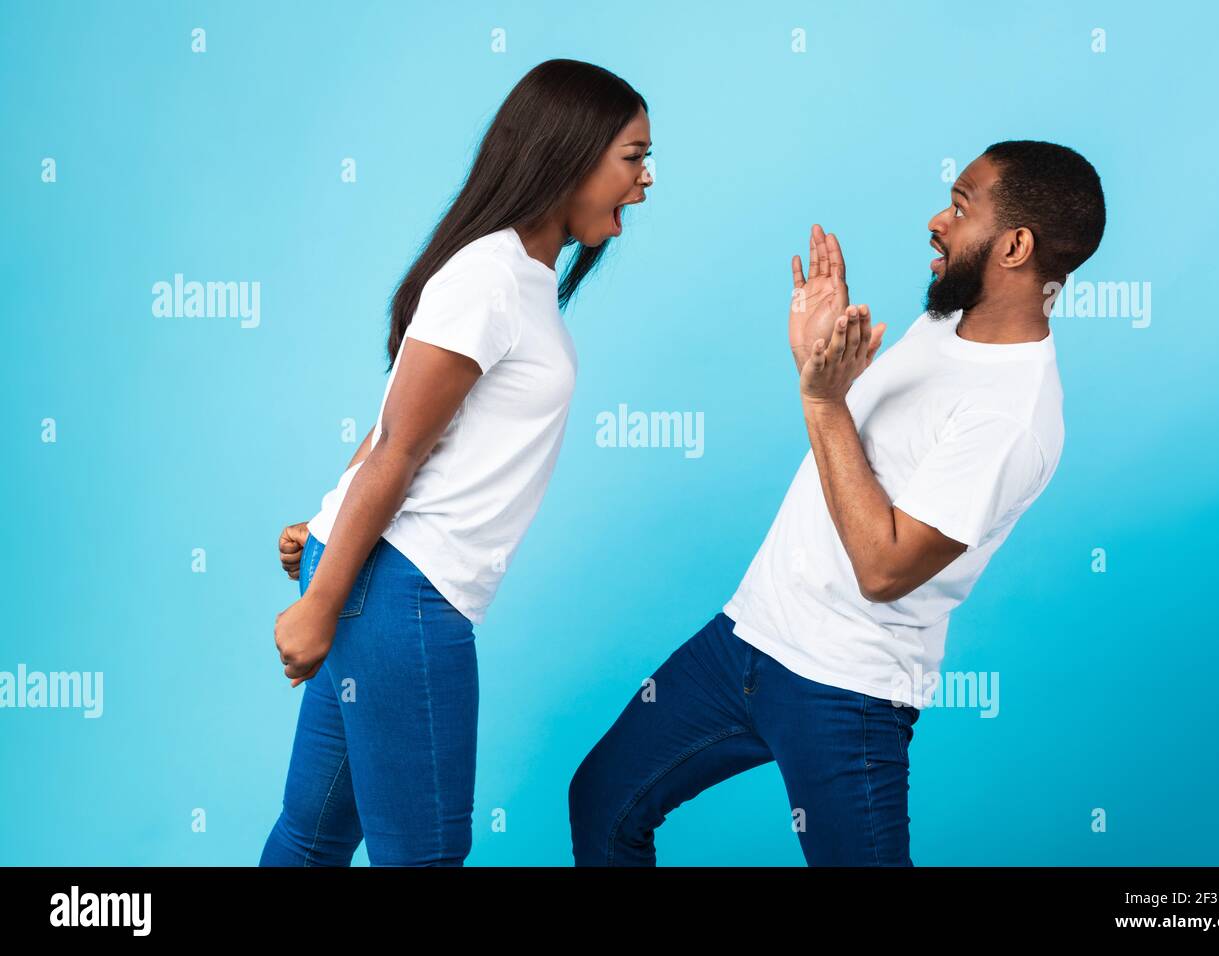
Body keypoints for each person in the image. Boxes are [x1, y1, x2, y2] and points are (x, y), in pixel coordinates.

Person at [568, 141, 1105, 866]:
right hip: (748, 638)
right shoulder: (951, 321)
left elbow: (883, 569)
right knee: (602, 802)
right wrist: (821, 363)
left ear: (1014, 245)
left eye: (959, 206)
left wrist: (822, 401)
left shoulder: (1013, 416)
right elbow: (869, 458)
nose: (936, 223)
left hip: (845, 688)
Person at [260, 58, 653, 867]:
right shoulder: (490, 276)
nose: (645, 181)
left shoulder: (525, 280)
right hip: (401, 596)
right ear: (571, 154)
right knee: (423, 854)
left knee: (313, 839)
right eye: (634, 157)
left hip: (376, 579)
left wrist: (330, 525)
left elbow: (401, 432)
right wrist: (323, 595)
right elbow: (401, 446)